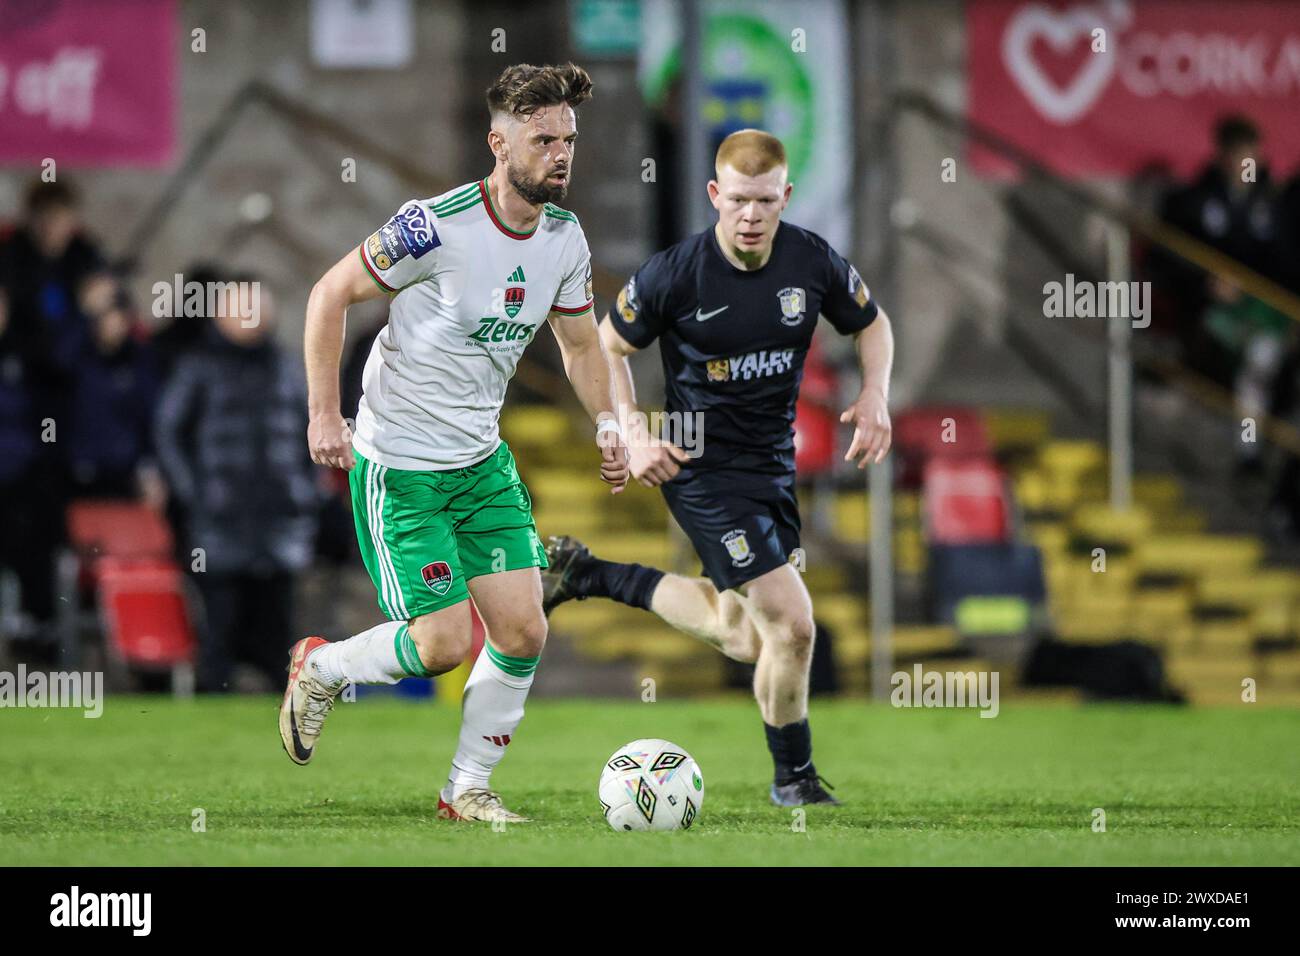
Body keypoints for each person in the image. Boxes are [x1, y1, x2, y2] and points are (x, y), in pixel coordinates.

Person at [283, 62, 629, 824]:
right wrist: (323, 414)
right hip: (400, 465)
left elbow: (577, 346)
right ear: (498, 144)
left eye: (568, 138)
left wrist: (610, 422)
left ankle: (466, 789)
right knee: (442, 643)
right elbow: (329, 293)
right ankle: (322, 668)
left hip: (480, 462)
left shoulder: (565, 240)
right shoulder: (434, 225)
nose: (561, 153)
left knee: (522, 626)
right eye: (543, 140)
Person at [542, 129, 894, 807]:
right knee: (793, 625)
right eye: (738, 200)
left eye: (765, 200)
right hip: (698, 466)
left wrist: (874, 392)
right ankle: (795, 779)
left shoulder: (811, 261)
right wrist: (634, 429)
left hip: (771, 467)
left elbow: (871, 325)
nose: (752, 215)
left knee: (741, 634)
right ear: (715, 195)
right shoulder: (675, 273)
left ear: (785, 196)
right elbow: (608, 347)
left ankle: (588, 572)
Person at [154, 277, 319, 691]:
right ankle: (214, 693)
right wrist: (194, 492)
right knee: (220, 618)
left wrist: (305, 489)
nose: (254, 317)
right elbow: (167, 432)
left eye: (260, 307)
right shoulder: (197, 366)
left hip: (279, 517)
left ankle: (285, 703)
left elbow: (310, 429)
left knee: (278, 621)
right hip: (219, 518)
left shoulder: (285, 365)